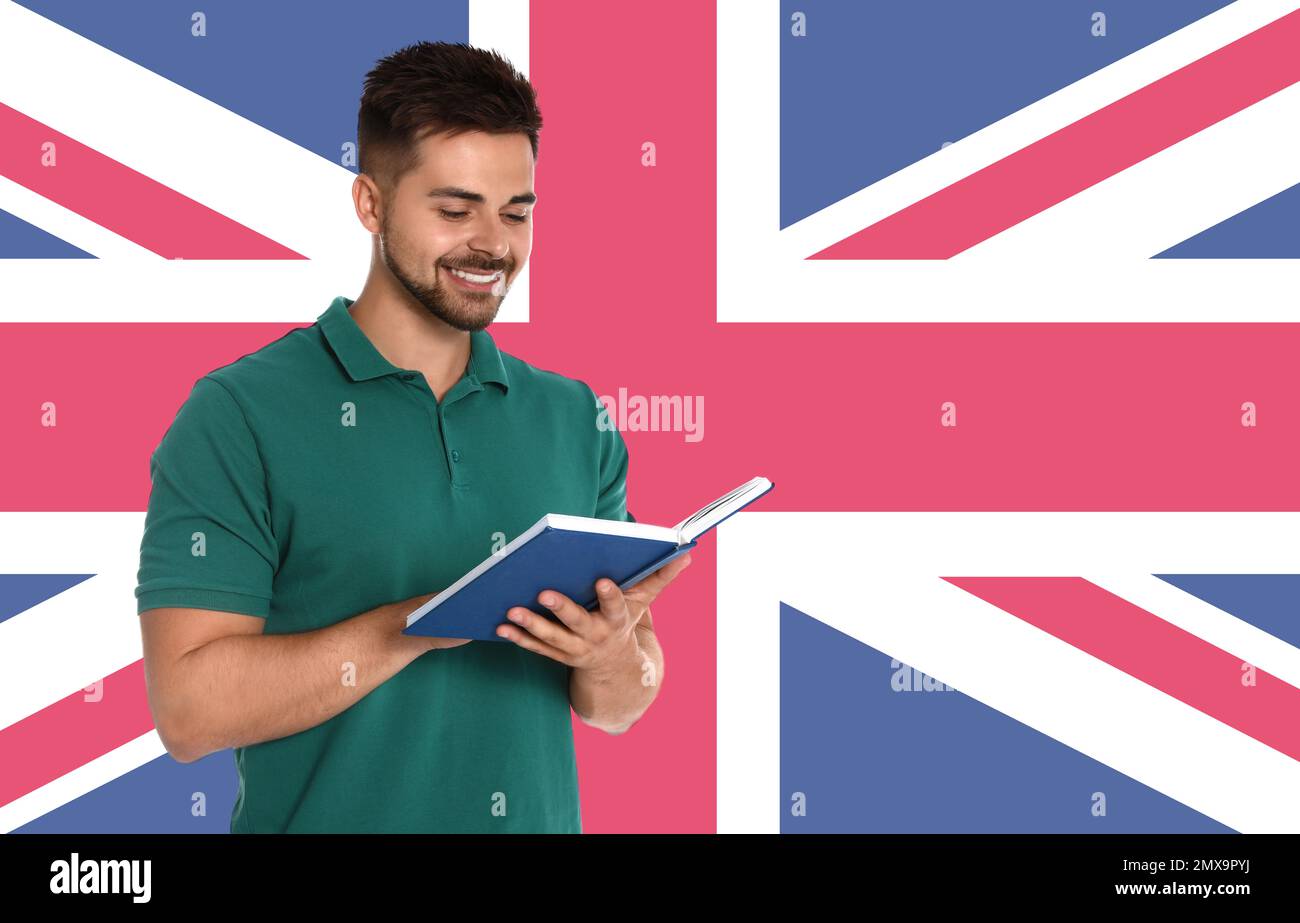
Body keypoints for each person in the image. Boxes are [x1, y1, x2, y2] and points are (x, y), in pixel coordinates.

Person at [134, 40, 690, 833]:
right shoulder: (238, 414)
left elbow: (619, 707)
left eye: (517, 211)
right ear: (370, 204)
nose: (493, 245)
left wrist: (607, 656)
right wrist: (423, 621)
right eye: (455, 210)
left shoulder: (573, 417)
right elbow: (187, 711)